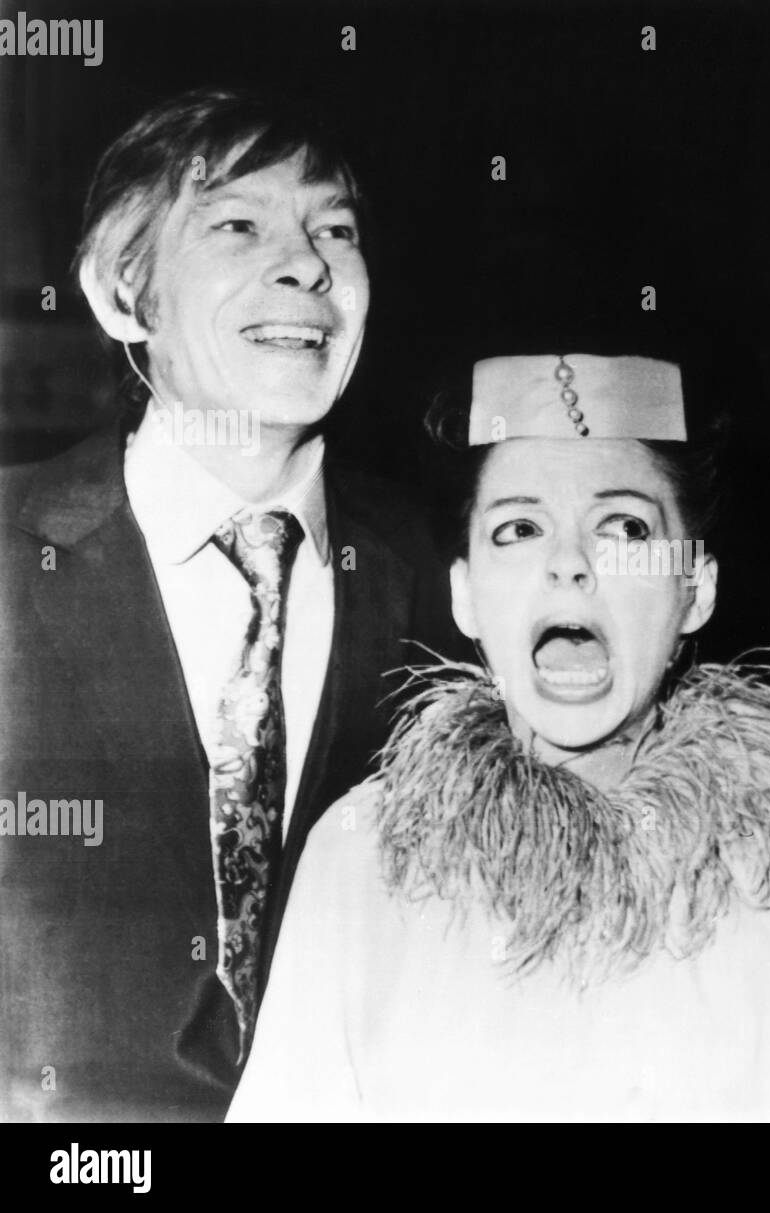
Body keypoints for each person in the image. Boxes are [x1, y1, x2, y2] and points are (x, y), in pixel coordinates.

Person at [229, 351, 770, 1121]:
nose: (570, 565)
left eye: (623, 526)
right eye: (519, 527)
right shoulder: (360, 852)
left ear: (696, 589)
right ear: (465, 593)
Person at [0, 88, 461, 1121]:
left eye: (334, 227)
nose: (307, 264)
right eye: (238, 224)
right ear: (126, 296)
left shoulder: (450, 580)